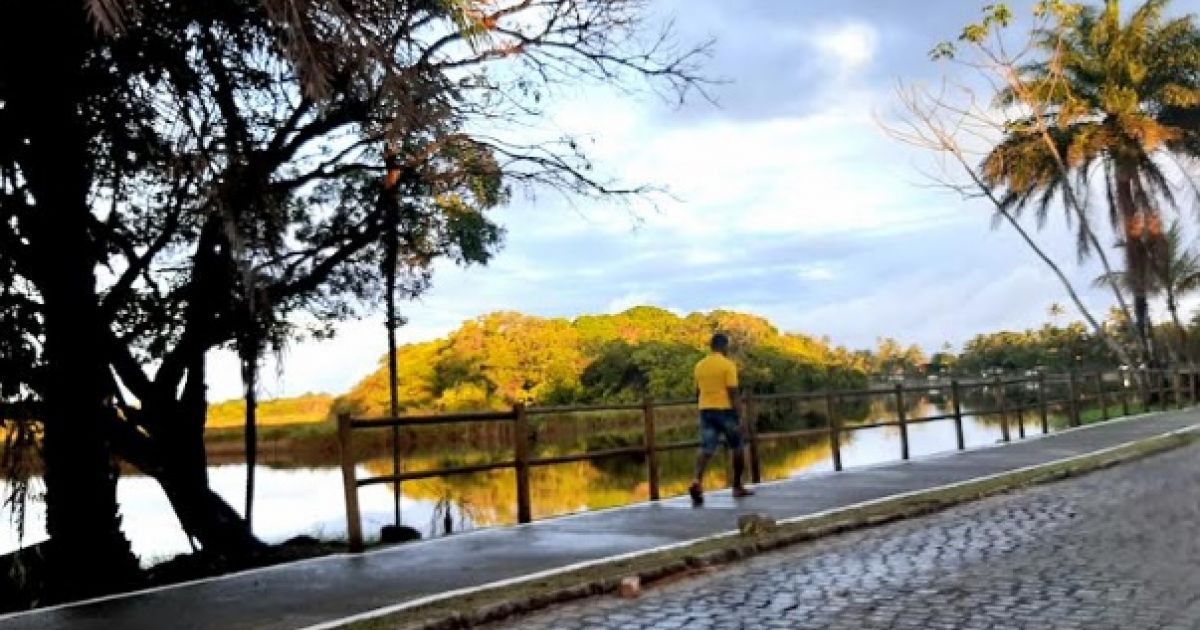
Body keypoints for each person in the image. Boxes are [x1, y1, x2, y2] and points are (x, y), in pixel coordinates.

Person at [689, 332, 754, 505]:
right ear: (724, 346)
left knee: (706, 448)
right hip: (725, 411)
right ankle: (737, 486)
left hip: (705, 410)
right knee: (738, 446)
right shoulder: (728, 365)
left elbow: (697, 392)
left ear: (711, 346)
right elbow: (733, 393)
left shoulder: (699, 366)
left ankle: (696, 480)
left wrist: (703, 405)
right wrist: (740, 418)